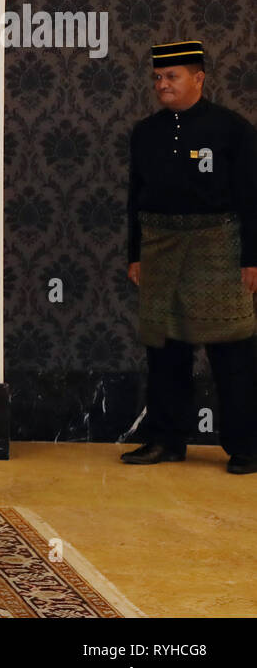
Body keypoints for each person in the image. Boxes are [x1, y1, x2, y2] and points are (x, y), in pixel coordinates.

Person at [123, 40, 257, 474]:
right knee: (165, 351)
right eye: (158, 78)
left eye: (172, 77)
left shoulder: (233, 129)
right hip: (160, 246)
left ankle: (246, 446)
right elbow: (134, 200)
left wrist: (251, 259)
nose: (162, 84)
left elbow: (251, 198)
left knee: (232, 352)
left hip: (219, 246)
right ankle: (166, 440)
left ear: (198, 78)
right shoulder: (146, 132)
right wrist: (136, 253)